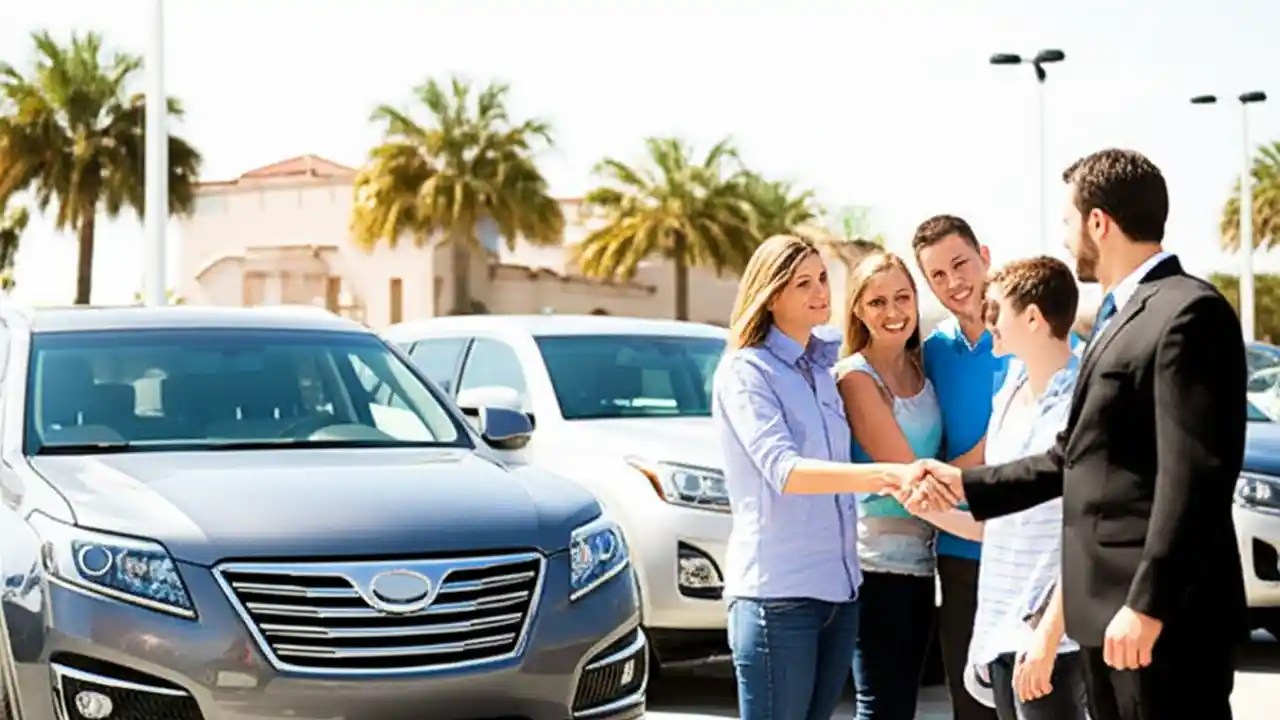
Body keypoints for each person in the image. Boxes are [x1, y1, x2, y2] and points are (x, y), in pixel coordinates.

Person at [903, 149, 1249, 720]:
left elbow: (1197, 478)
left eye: (1068, 221)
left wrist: (1148, 604)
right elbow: (1072, 457)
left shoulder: (1189, 312)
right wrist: (963, 484)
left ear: (1098, 223)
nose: (1065, 239)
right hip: (1104, 620)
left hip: (1157, 623)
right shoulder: (1117, 316)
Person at [713, 233, 914, 720]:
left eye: (822, 278)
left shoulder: (823, 369)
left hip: (839, 595)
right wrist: (886, 475)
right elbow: (784, 471)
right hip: (777, 597)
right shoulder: (748, 372)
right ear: (771, 294)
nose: (821, 291)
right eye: (803, 282)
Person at [914, 256, 1090, 720]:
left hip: (1054, 640)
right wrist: (925, 506)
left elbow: (1088, 531)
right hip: (999, 628)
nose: (986, 318)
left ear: (1032, 317)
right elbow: (998, 522)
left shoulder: (1082, 401)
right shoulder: (1010, 390)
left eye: (997, 309)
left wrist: (1048, 636)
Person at [833, 251, 943, 720]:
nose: (893, 312)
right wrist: (984, 459)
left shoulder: (922, 368)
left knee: (901, 706)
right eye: (877, 302)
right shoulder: (857, 377)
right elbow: (908, 473)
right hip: (873, 568)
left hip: (920, 564)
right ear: (857, 309)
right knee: (880, 706)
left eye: (903, 297)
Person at [911, 214, 1002, 720]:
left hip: (1026, 545)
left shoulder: (1037, 335)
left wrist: (954, 471)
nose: (953, 283)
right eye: (937, 276)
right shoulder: (933, 355)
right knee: (970, 704)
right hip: (958, 549)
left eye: (960, 264)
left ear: (985, 255)